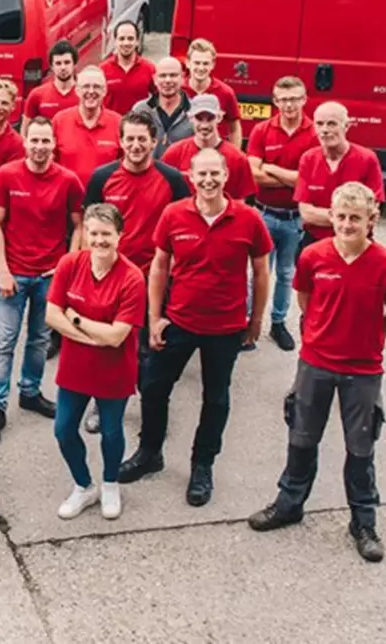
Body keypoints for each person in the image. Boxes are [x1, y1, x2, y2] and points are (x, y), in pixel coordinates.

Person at [247, 182, 386, 563]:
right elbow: (305, 299)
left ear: (372, 220)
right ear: (330, 217)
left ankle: (363, 522)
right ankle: (290, 503)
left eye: (356, 218)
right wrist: (322, 335)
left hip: (363, 370)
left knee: (361, 446)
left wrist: (368, 341)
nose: (348, 224)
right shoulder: (313, 256)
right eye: (342, 217)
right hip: (316, 363)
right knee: (301, 436)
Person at [117, 148, 271, 506]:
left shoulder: (248, 219)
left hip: (226, 326)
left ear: (226, 176)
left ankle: (203, 465)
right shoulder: (173, 214)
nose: (208, 180)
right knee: (154, 388)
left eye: (215, 173)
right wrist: (154, 318)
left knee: (215, 399)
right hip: (180, 320)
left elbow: (262, 272)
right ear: (190, 177)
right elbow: (159, 267)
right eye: (201, 174)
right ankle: (150, 452)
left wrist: (256, 319)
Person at [82, 110, 189, 432]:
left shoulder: (172, 179)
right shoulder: (103, 177)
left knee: (148, 350)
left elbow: (184, 224)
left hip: (152, 278)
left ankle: (149, 405)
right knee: (105, 346)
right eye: (129, 138)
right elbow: (90, 229)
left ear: (154, 142)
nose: (136, 145)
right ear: (121, 140)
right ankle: (102, 404)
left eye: (142, 139)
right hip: (110, 275)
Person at [0, 116, 85, 445]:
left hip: (49, 276)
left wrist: (67, 268)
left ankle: (30, 391)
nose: (40, 147)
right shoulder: (7, 176)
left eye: (46, 141)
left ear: (54, 144)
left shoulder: (68, 180)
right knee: (3, 343)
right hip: (12, 275)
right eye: (34, 140)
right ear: (25, 141)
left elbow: (79, 226)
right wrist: (3, 270)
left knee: (40, 340)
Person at [45, 203, 146, 521]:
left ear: (120, 235)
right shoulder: (69, 264)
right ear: (85, 233)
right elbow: (51, 315)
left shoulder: (132, 278)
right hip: (75, 368)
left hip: (114, 371)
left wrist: (75, 318)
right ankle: (83, 485)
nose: (99, 240)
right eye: (93, 233)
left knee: (112, 432)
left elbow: (117, 336)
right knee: (63, 430)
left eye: (106, 234)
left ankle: (110, 483)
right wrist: (92, 335)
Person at [246, 76, 316, 352]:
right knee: (258, 271)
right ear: (275, 102)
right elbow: (253, 173)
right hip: (263, 214)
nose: (289, 105)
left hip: (293, 217)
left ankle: (278, 322)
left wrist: (271, 168)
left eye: (295, 99)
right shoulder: (263, 130)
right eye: (284, 99)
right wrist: (292, 177)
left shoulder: (313, 134)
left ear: (304, 99)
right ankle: (250, 322)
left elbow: (308, 180)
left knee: (287, 273)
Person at [294, 102, 386, 256]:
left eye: (332, 124)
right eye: (320, 124)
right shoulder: (308, 159)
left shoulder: (367, 159)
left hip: (355, 247)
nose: (325, 130)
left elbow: (372, 213)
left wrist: (328, 216)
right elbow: (307, 213)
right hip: (314, 244)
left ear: (346, 126)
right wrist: (352, 217)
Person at [160, 96, 257, 202]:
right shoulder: (174, 154)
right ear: (190, 118)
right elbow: (161, 194)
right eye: (199, 118)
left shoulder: (237, 158)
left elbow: (241, 203)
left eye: (210, 118)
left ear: (219, 118)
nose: (204, 125)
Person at [52, 66, 121, 179]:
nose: (91, 91)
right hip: (69, 195)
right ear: (77, 90)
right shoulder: (59, 121)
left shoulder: (118, 122)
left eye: (97, 87)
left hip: (105, 195)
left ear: (105, 91)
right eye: (86, 86)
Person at [183, 38, 242, 147]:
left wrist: (234, 155)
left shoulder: (225, 92)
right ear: (187, 63)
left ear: (213, 64)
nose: (201, 68)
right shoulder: (178, 90)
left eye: (205, 63)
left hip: (215, 155)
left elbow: (234, 129)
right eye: (197, 63)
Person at [132, 56, 193, 159]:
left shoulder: (194, 112)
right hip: (148, 173)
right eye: (163, 76)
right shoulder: (141, 111)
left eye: (173, 75)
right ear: (155, 79)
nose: (168, 80)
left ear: (182, 78)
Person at [100, 20, 156, 112]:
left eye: (130, 39)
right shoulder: (103, 70)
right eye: (121, 39)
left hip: (139, 124)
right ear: (115, 42)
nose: (126, 43)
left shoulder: (149, 68)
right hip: (113, 125)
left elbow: (159, 98)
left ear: (137, 41)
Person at [24, 40, 79, 120]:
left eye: (67, 62)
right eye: (58, 63)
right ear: (52, 67)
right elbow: (25, 129)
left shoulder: (84, 95)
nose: (63, 67)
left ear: (74, 65)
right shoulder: (36, 95)